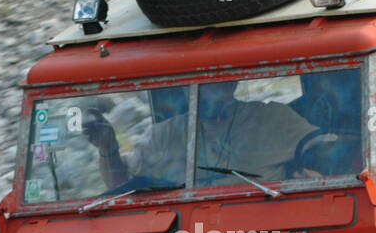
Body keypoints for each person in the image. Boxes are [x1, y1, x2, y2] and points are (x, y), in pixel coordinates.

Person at [83, 81, 330, 191]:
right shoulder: (164, 135)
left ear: (231, 82)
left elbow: (333, 151)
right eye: (190, 84)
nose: (197, 91)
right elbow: (119, 185)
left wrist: (319, 179)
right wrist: (108, 149)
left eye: (208, 82)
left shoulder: (271, 119)